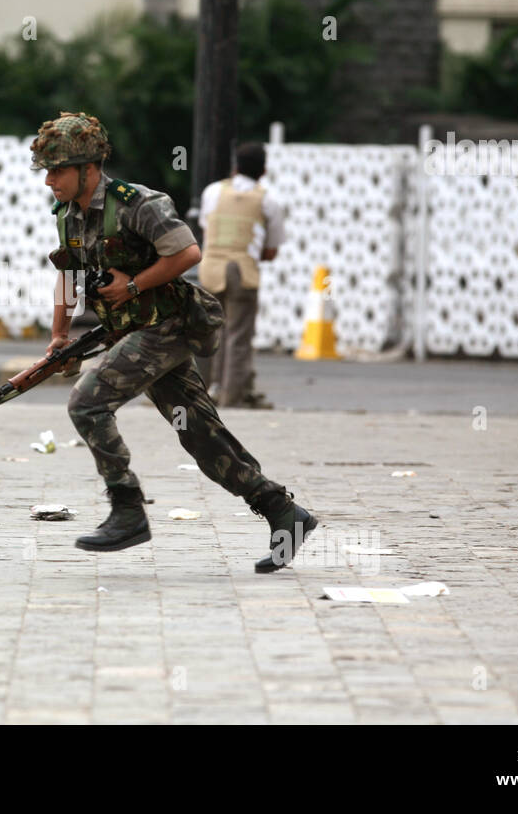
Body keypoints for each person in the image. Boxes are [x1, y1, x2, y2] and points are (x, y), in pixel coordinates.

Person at [33, 111, 317, 572]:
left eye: (57, 169)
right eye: (45, 170)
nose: (49, 180)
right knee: (200, 433)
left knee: (86, 403)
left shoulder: (137, 203)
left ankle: (127, 508)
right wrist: (60, 337)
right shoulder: (67, 217)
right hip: (133, 330)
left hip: (166, 326)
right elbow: (67, 275)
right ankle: (283, 512)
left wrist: (131, 286)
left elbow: (187, 252)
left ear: (88, 168)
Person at [198, 141, 285, 409]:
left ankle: (198, 394)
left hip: (210, 267)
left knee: (206, 332)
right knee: (237, 335)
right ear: (263, 170)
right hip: (243, 271)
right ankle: (231, 396)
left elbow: (205, 226)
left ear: (235, 167)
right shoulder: (268, 200)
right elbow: (271, 251)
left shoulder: (212, 191)